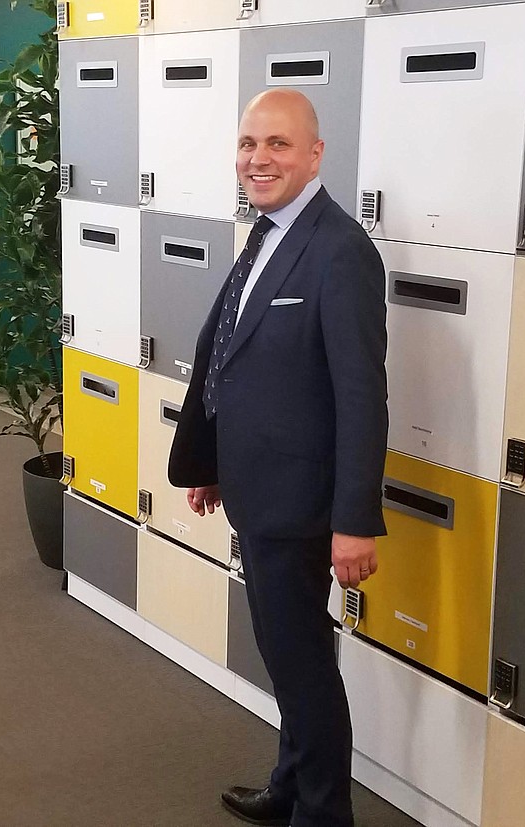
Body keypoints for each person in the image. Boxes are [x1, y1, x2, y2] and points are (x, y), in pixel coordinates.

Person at [168, 89, 387, 827]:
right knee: (289, 654)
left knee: (303, 666)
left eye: (278, 144)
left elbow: (362, 398)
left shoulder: (341, 251)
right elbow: (233, 358)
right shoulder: (267, 233)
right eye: (248, 143)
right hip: (257, 488)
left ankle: (323, 814)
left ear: (315, 154)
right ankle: (291, 783)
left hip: (301, 503)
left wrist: (355, 521)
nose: (258, 159)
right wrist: (211, 460)